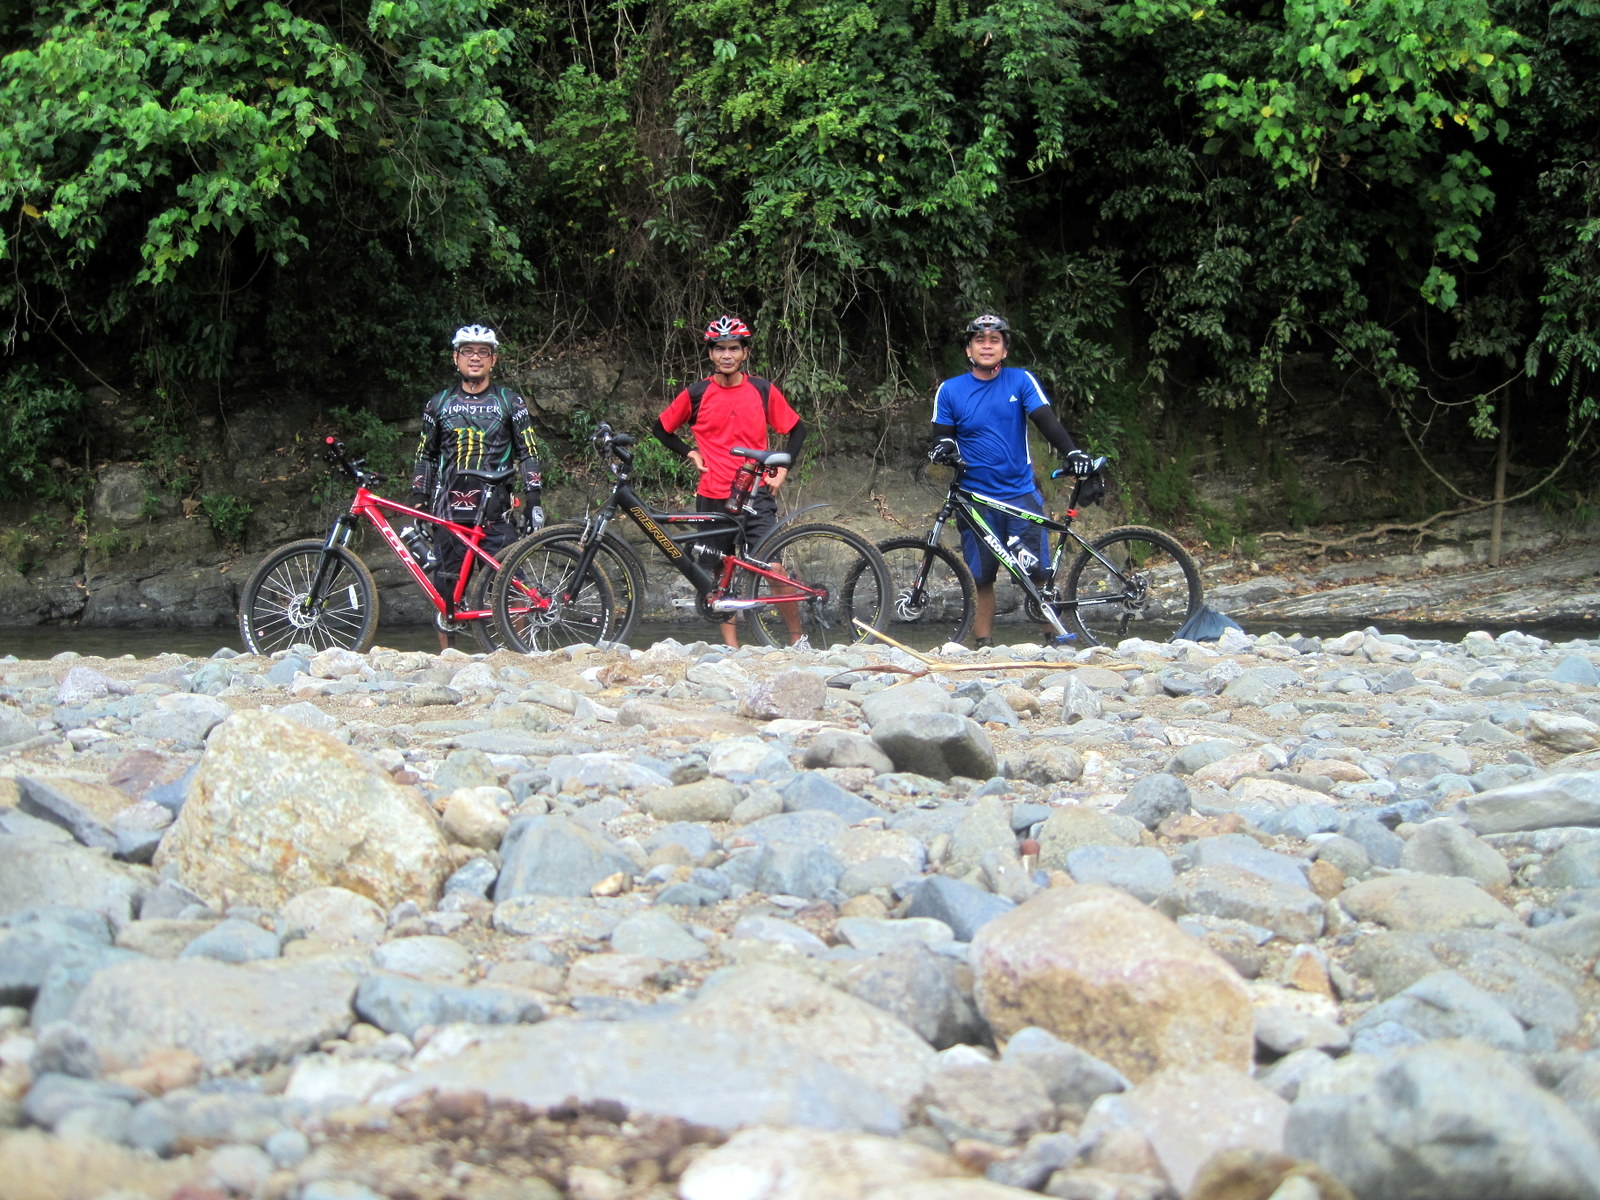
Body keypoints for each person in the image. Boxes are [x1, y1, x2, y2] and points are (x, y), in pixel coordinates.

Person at [930, 313, 1094, 648]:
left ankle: (1056, 643)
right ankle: (983, 646)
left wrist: (1072, 452)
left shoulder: (1020, 381)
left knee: (1038, 575)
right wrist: (942, 448)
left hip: (1019, 495)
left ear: (1004, 350)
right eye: (979, 340)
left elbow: (1046, 420)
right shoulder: (950, 390)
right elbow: (941, 436)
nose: (986, 346)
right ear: (968, 349)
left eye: (995, 340)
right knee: (981, 578)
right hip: (975, 500)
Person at [652, 314, 807, 647]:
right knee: (720, 576)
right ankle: (731, 650)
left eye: (733, 348)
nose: (727, 355)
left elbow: (797, 429)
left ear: (744, 353)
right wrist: (690, 453)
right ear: (710, 354)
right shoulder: (696, 394)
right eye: (720, 348)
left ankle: (799, 642)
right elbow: (661, 429)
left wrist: (783, 469)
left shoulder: (761, 390)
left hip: (756, 494)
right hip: (712, 495)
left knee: (774, 569)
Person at [410, 323, 545, 648]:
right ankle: (449, 662)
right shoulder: (438, 403)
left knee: (511, 587)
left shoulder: (509, 401)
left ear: (493, 360)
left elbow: (529, 452)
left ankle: (518, 657)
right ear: (455, 357)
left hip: (496, 514)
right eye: (467, 351)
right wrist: (419, 501)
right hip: (448, 512)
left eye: (483, 352)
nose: (475, 358)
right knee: (446, 592)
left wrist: (534, 500)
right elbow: (425, 455)